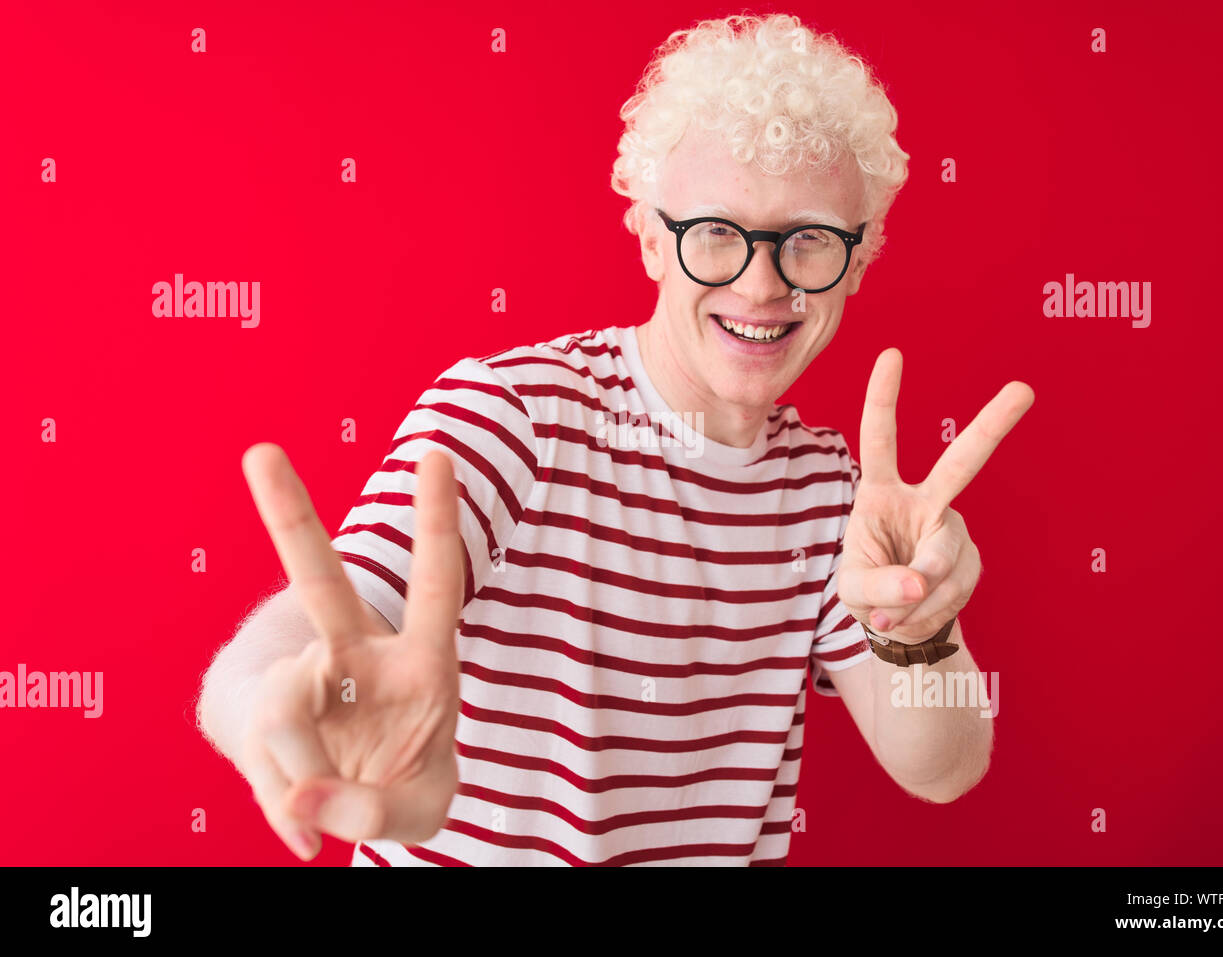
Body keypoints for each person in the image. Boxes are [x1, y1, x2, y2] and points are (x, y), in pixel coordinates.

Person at [197, 12, 1033, 866]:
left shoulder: (835, 497)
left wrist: (922, 629)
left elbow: (942, 770)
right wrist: (274, 705)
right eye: (715, 231)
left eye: (809, 240)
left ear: (857, 261)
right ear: (647, 238)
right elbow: (310, 626)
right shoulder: (512, 416)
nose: (761, 282)